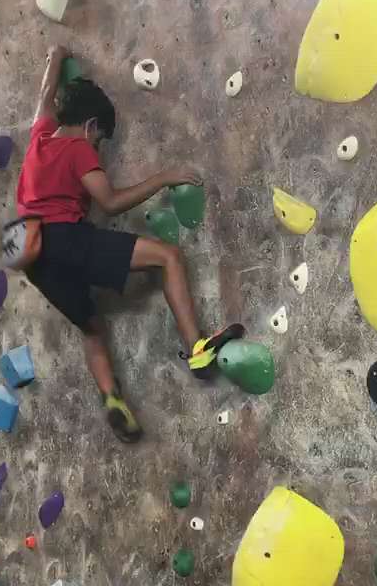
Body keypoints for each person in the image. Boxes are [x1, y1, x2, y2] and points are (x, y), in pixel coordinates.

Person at [16, 45, 243, 443]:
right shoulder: (78, 148)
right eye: (100, 139)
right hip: (65, 238)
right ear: (90, 127)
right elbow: (110, 201)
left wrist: (54, 56)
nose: (98, 149)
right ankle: (197, 349)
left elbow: (44, 96)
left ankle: (112, 398)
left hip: (31, 256)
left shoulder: (39, 139)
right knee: (168, 257)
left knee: (92, 329)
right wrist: (164, 177)